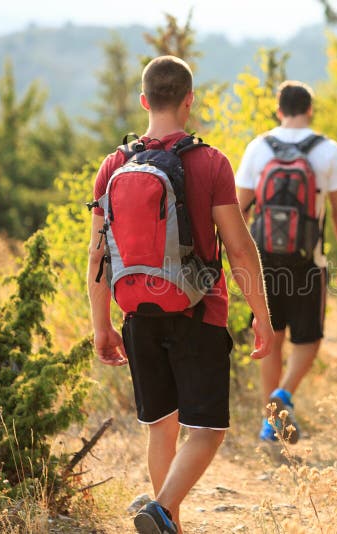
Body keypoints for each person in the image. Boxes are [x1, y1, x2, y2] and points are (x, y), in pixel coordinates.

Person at [87, 55, 274, 534]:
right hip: (199, 311)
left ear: (144, 100)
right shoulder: (209, 162)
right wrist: (262, 315)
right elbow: (239, 248)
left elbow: (97, 255)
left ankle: (168, 521)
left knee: (161, 426)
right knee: (207, 430)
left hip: (137, 314)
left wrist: (101, 326)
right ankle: (163, 509)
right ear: (189, 101)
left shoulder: (113, 165)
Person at [235, 80, 337, 444]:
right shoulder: (328, 150)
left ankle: (269, 422)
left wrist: (238, 261)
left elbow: (240, 209)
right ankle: (283, 393)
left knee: (269, 336)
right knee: (309, 339)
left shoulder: (258, 147)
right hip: (308, 261)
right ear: (310, 110)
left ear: (279, 110)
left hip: (263, 260)